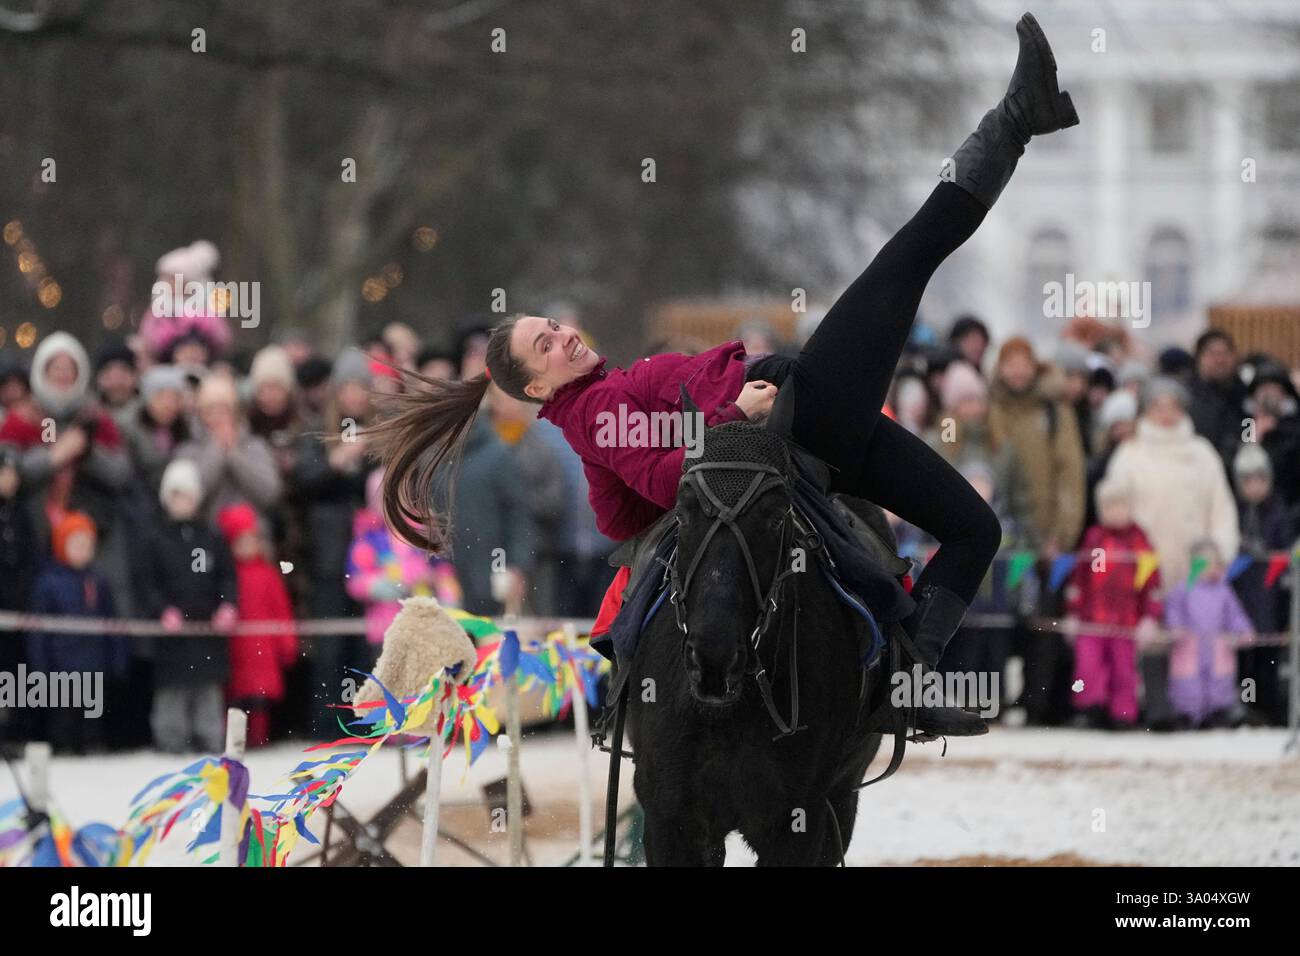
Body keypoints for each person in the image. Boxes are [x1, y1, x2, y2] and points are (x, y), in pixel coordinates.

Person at [368, 13, 1080, 735]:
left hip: (805, 432)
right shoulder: (590, 413)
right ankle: (1019, 117)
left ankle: (906, 679)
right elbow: (662, 477)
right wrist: (735, 411)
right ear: (536, 390)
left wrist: (732, 410)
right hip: (790, 417)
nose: (563, 338)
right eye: (544, 347)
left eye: (552, 327)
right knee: (905, 260)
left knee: (974, 529)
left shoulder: (607, 389)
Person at [138, 459, 238, 754]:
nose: (183, 502)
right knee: (173, 690)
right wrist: (162, 610)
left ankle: (208, 739)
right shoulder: (155, 540)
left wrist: (227, 606)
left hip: (208, 631)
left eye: (188, 495)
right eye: (176, 495)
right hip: (172, 635)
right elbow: (147, 583)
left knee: (207, 688)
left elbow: (226, 577)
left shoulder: (212, 537)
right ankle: (170, 740)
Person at [26, 511, 127, 753]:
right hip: (61, 665)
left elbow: (111, 622)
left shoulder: (99, 580)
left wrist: (117, 659)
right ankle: (63, 746)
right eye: (77, 544)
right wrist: (40, 666)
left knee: (92, 712)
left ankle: (91, 744)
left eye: (88, 545)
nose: (83, 550)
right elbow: (37, 631)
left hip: (94, 662)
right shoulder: (48, 583)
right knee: (63, 713)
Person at [1064, 480, 1161, 730]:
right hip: (1092, 621)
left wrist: (1150, 617)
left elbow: (1151, 585)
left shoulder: (1140, 543)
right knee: (1088, 668)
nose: (1115, 512)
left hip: (1126, 623)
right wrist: (1073, 611)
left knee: (1124, 671)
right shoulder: (1094, 538)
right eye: (1109, 507)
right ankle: (1089, 709)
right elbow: (1079, 579)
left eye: (1120, 506)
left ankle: (1123, 715)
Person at [217, 502, 300, 748]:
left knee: (260, 701)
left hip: (263, 650)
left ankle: (260, 739)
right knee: (236, 700)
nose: (248, 547)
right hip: (238, 650)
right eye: (241, 541)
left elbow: (281, 612)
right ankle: (236, 742)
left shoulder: (269, 574)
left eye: (252, 540)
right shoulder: (228, 577)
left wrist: (287, 643)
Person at [1230, 444, 1293, 725]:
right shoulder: (1235, 514)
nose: (1254, 487)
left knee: (1268, 657)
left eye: (1260, 479)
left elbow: (1286, 552)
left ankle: (1269, 707)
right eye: (1248, 481)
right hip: (1242, 597)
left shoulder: (1279, 514)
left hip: (1270, 598)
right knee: (1244, 658)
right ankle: (1246, 706)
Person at [1163, 539, 1254, 729]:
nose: (1210, 567)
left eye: (1214, 562)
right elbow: (1174, 611)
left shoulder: (1224, 591)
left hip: (1218, 647)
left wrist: (1243, 630)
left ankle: (1217, 712)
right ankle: (1187, 714)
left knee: (1219, 680)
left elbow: (1234, 614)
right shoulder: (1182, 589)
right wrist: (1175, 628)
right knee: (1187, 682)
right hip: (1189, 646)